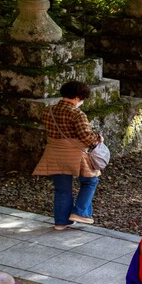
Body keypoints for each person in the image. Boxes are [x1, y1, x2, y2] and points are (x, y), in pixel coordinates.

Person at [32, 81, 102, 231]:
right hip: (75, 155)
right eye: (82, 99)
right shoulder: (77, 114)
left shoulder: (48, 110)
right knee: (90, 181)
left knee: (62, 189)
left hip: (54, 153)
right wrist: (98, 137)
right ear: (77, 97)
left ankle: (61, 222)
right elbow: (86, 137)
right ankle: (80, 212)